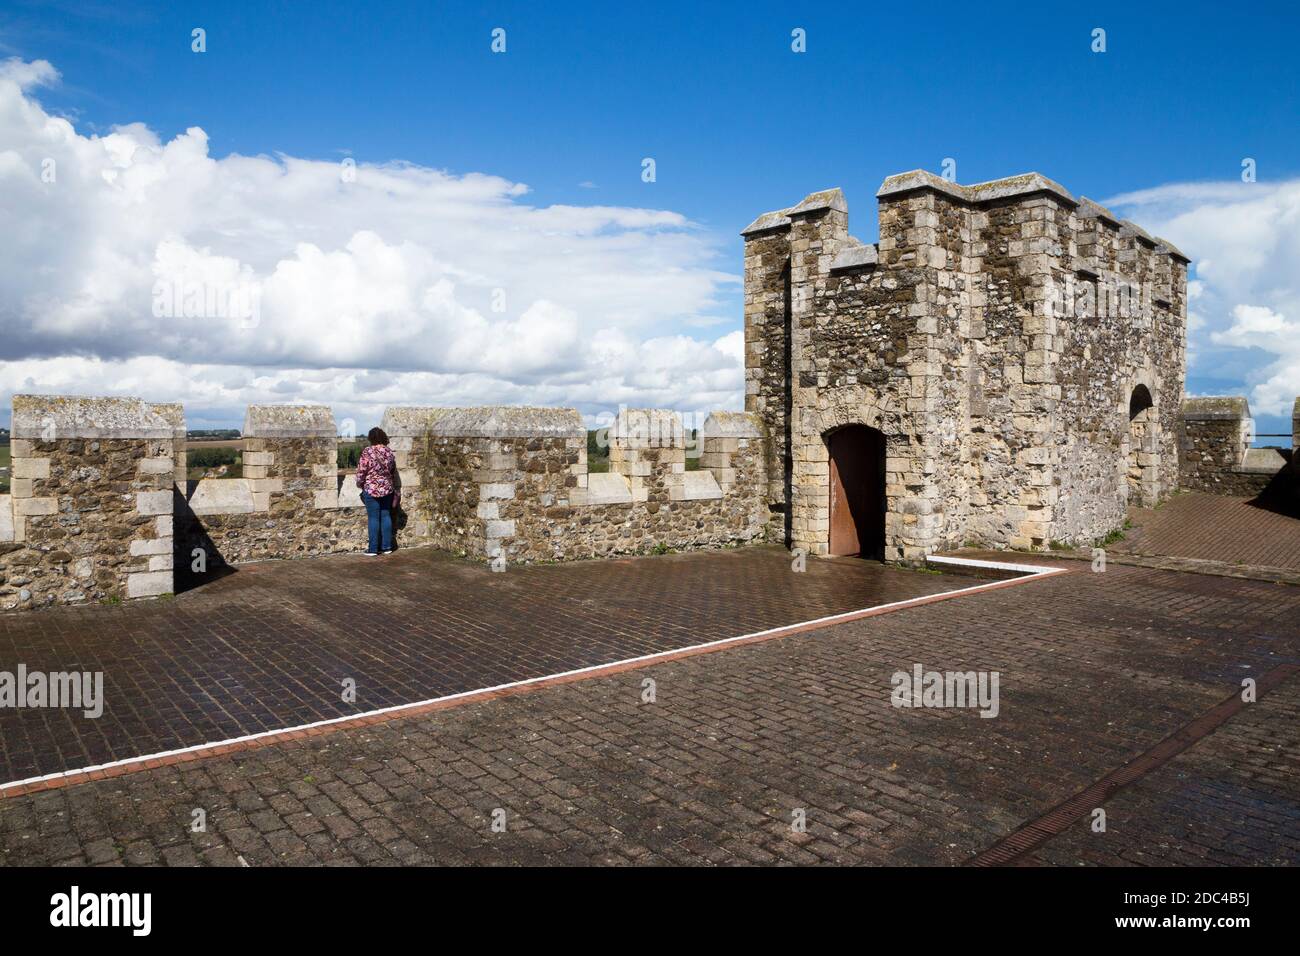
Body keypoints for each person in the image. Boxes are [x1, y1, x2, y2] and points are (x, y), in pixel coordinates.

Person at [355, 426, 399, 555]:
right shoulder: (389, 452)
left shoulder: (367, 452)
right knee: (386, 516)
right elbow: (392, 470)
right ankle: (387, 547)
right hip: (387, 489)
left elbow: (361, 471)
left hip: (371, 489)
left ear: (371, 438)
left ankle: (373, 549)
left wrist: (359, 483)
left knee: (373, 518)